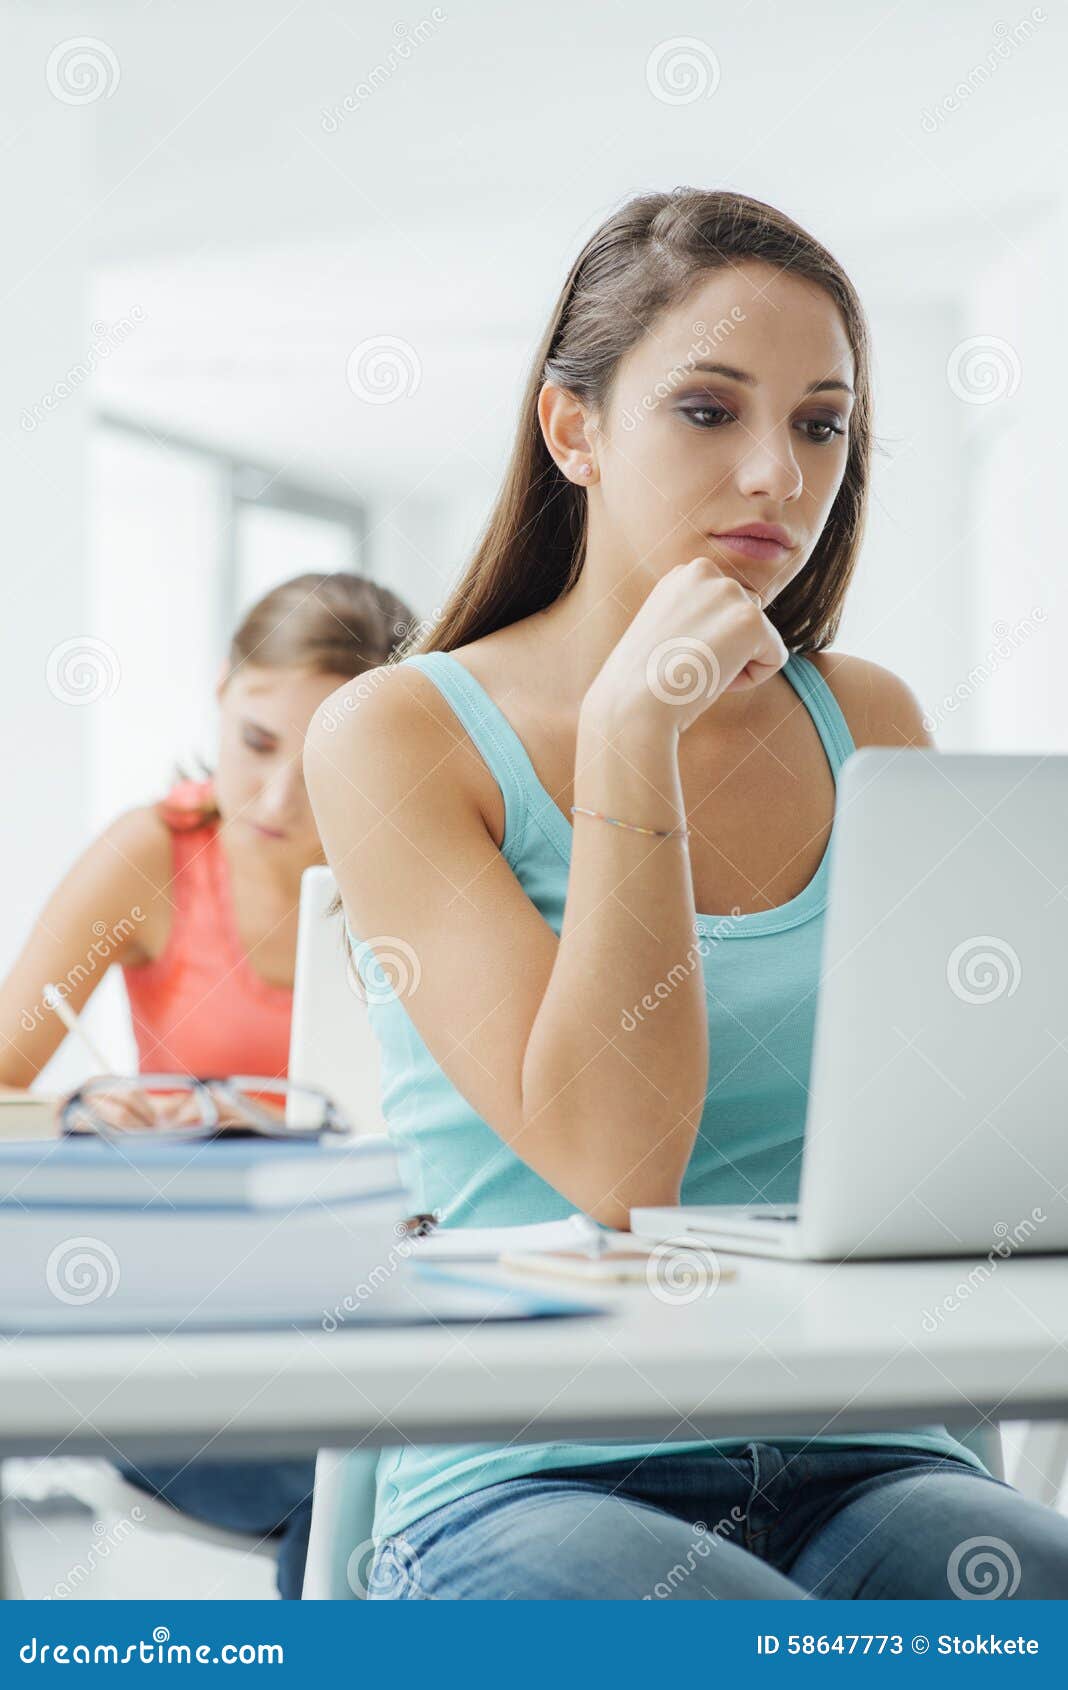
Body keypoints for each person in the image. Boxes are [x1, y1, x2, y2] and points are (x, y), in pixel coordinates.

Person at [304, 189, 1068, 1600]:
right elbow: (620, 1169)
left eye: (822, 424)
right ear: (573, 430)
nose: (777, 473)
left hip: (867, 1448)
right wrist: (629, 729)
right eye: (710, 411)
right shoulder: (395, 734)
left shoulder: (869, 718)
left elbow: (970, 1133)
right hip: (531, 1469)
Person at [0, 569, 416, 1598]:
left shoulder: (420, 869)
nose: (274, 799)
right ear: (222, 692)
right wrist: (94, 1120)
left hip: (361, 1319)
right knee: (359, 1488)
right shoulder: (154, 855)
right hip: (179, 1336)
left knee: (415, 1468)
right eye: (257, 741)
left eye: (320, 767)